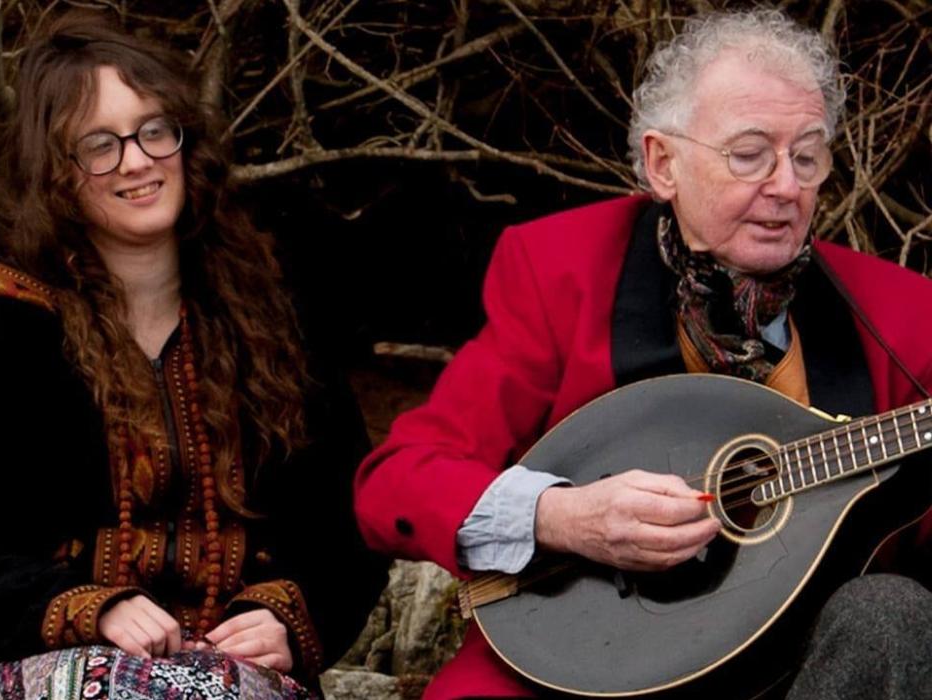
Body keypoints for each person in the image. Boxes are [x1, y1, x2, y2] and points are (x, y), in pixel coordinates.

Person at [354, 8, 932, 700]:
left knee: (892, 614)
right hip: (589, 657)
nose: (786, 186)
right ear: (663, 162)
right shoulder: (561, 270)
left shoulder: (904, 313)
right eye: (750, 153)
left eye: (806, 155)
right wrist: (567, 517)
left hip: (793, 670)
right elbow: (401, 477)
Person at [0, 11, 387, 699]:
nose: (136, 160)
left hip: (231, 673)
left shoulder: (270, 316)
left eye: (153, 130)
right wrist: (90, 607)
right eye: (98, 144)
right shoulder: (0, 325)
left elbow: (345, 524)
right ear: (55, 173)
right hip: (45, 663)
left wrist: (285, 617)